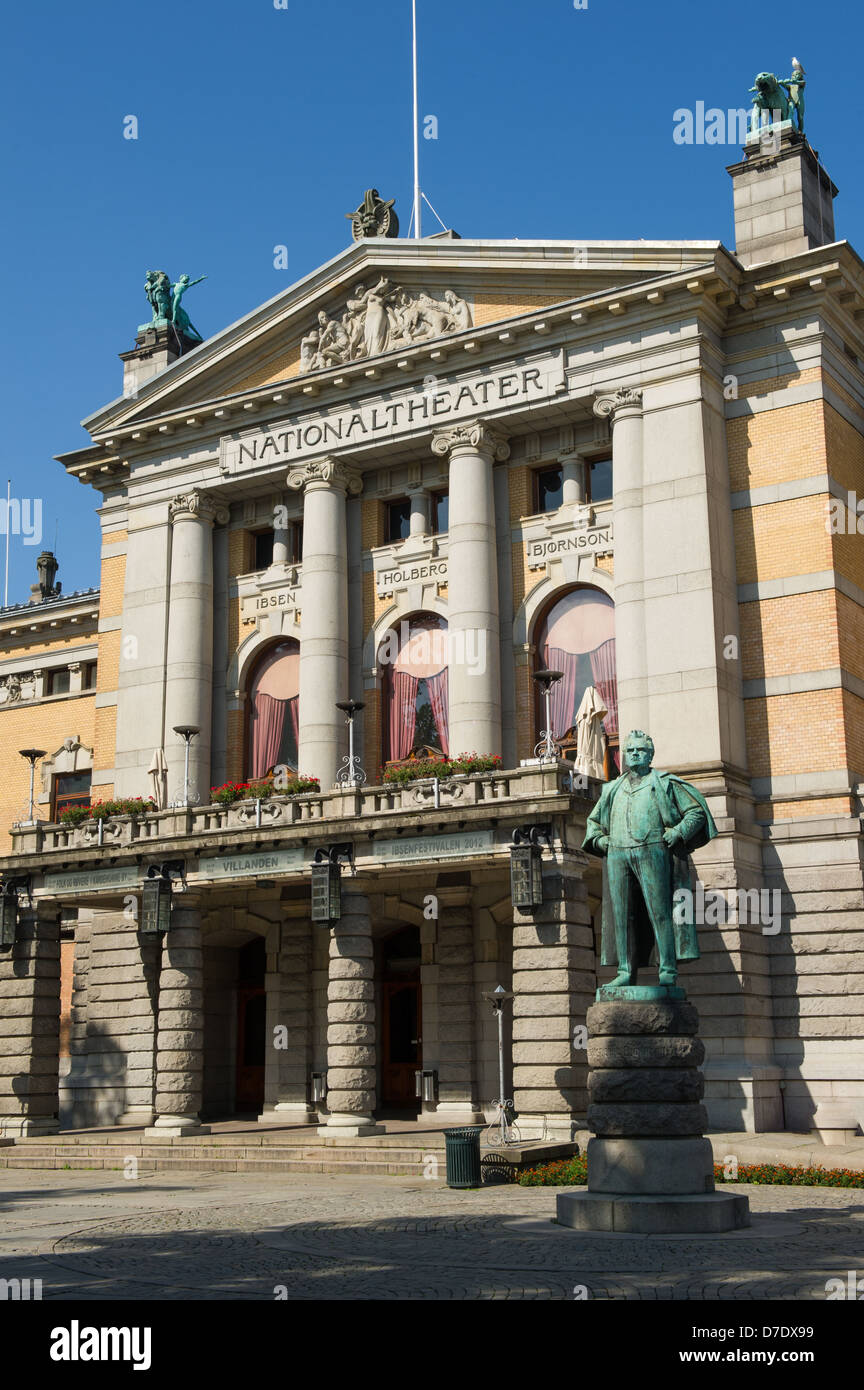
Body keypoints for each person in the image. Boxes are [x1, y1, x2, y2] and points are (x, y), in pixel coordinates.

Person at [583, 729, 717, 988]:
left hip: (653, 850)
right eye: (630, 750)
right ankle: (624, 972)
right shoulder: (612, 788)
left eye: (640, 750)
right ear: (623, 755)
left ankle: (667, 969)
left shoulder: (665, 783)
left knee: (660, 913)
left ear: (650, 755)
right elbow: (593, 823)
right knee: (621, 916)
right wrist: (600, 840)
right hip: (618, 854)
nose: (634, 754)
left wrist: (678, 832)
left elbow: (696, 813)